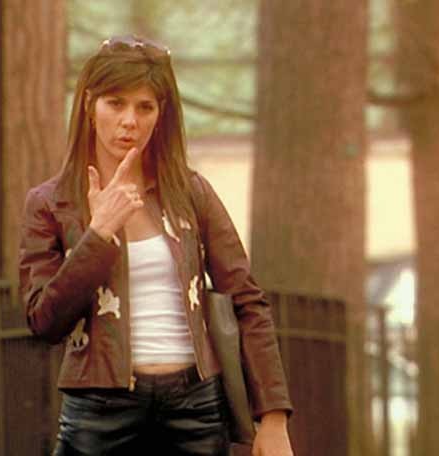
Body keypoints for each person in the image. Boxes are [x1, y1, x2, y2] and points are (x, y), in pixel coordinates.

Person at [18, 35, 293, 456]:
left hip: (195, 407)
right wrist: (98, 235)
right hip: (100, 410)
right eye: (115, 103)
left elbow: (246, 301)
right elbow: (44, 321)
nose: (129, 120)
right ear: (90, 105)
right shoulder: (51, 203)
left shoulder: (191, 193)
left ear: (160, 114)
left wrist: (272, 418)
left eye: (144, 107)